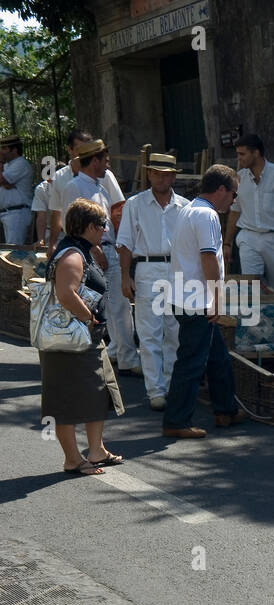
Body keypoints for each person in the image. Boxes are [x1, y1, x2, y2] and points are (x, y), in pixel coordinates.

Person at [40, 198, 125, 476]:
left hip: (85, 337)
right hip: (71, 339)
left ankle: (96, 449)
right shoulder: (73, 255)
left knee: (98, 392)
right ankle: (73, 459)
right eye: (102, 225)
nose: (105, 230)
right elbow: (66, 294)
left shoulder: (80, 250)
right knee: (65, 398)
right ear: (89, 226)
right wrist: (89, 317)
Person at [161, 164, 247, 439]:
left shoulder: (189, 210)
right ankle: (176, 421)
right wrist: (216, 299)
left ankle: (226, 410)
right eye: (233, 195)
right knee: (192, 361)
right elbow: (208, 258)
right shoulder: (205, 215)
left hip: (185, 297)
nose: (234, 201)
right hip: (196, 300)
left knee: (216, 356)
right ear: (221, 189)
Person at [116, 152, 189, 412]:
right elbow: (124, 243)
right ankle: (155, 390)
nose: (160, 177)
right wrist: (126, 276)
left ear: (173, 176)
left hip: (177, 269)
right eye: (155, 173)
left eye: (165, 173)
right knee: (149, 334)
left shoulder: (185, 206)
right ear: (148, 174)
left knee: (175, 333)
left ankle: (170, 386)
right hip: (147, 267)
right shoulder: (134, 204)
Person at [65, 137, 138, 376]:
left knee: (117, 306)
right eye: (104, 159)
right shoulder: (75, 187)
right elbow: (74, 224)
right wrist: (94, 250)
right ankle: (127, 356)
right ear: (94, 160)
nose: (107, 163)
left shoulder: (99, 186)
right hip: (95, 251)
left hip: (107, 248)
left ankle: (119, 351)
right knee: (115, 306)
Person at [223, 134, 274, 293]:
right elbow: (235, 212)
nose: (239, 159)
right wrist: (227, 243)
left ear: (256, 153)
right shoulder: (239, 179)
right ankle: (255, 318)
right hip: (248, 238)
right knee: (250, 287)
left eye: (242, 154)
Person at [0, 134, 35, 245]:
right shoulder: (7, 166)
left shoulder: (21, 163)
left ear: (14, 149)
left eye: (4, 148)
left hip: (17, 213)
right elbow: (3, 181)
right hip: (7, 213)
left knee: (14, 252)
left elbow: (2, 180)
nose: (1, 151)